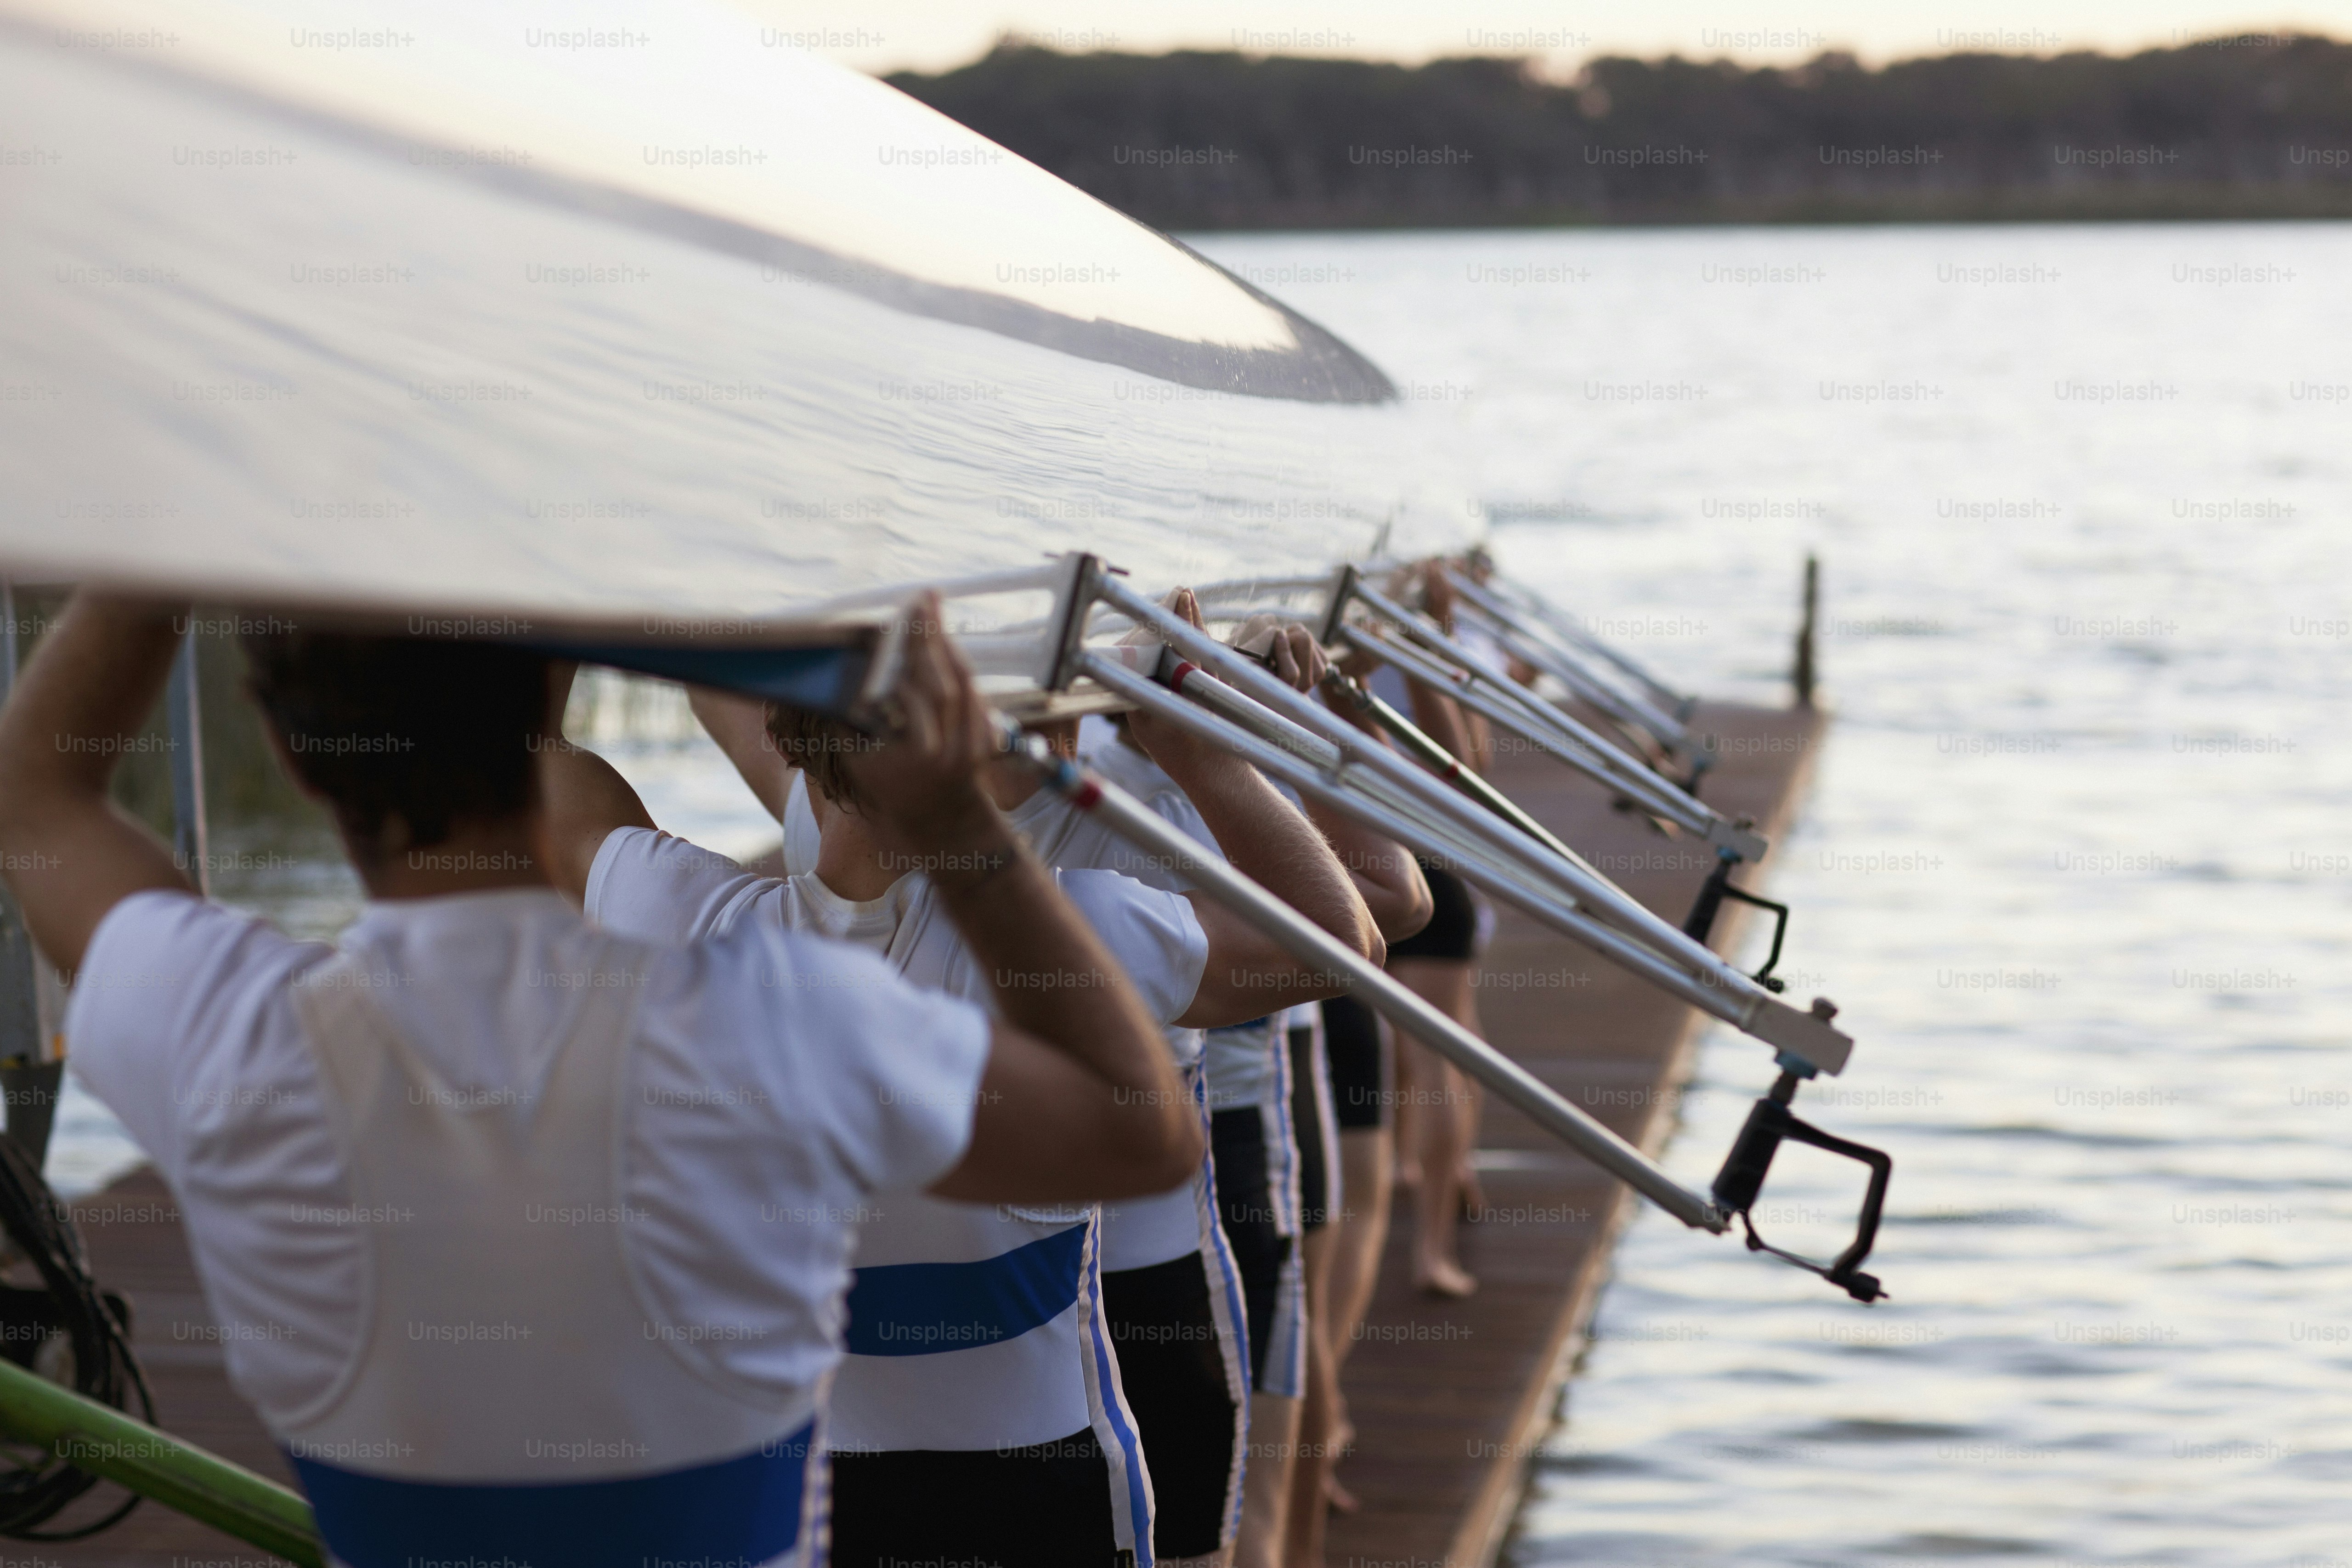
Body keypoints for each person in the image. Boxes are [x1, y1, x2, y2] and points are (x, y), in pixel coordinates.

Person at [0, 594, 1200, 1568]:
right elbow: (1138, 1133)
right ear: (550, 705)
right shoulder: (774, 1019)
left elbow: (38, 797)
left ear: (289, 750)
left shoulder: (231, 1042)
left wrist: (157, 548)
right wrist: (948, 814)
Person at [541, 606, 1385, 1568]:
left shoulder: (678, 929)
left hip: (799, 1483)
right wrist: (1191, 739)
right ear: (978, 749)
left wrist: (585, 589)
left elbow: (517, 757)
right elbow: (1346, 943)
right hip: (1042, 1491)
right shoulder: (1079, 935)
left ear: (785, 740)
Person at [1083, 611, 1428, 1568]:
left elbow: (1392, 902)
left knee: (1250, 1503)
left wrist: (1283, 715)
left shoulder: (1198, 738)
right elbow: (1389, 907)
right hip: (1112, 1183)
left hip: (1216, 1141)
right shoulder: (1117, 753)